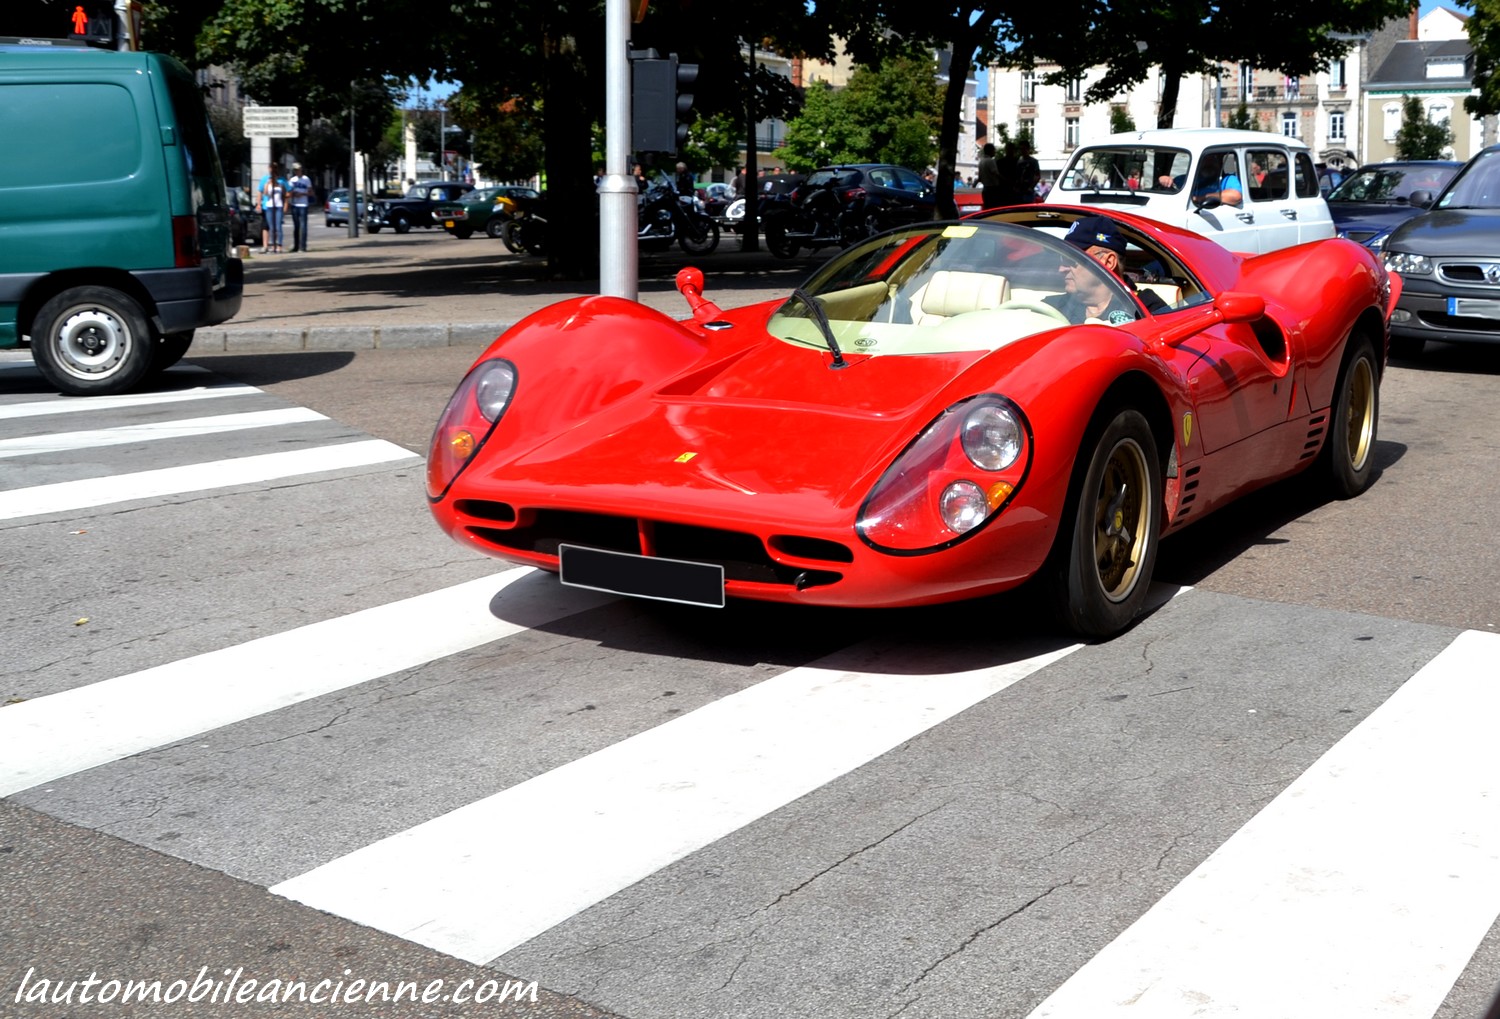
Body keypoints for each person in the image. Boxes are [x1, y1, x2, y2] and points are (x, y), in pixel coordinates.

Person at [1045, 215, 1169, 324]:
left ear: (1108, 262)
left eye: (1071, 260)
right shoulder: (1050, 308)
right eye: (1061, 260)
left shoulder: (1147, 310)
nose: (1061, 269)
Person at [257, 162, 288, 254]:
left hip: (278, 206)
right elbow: (262, 192)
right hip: (268, 206)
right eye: (271, 168)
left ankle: (279, 245)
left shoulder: (281, 181)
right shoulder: (265, 180)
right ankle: (267, 246)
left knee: (278, 226)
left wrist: (286, 205)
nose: (273, 170)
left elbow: (286, 193)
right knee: (267, 227)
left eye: (274, 168)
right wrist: (259, 204)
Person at [287, 162, 313, 252]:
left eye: (298, 170)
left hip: (303, 205)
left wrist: (302, 194)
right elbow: (289, 192)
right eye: (296, 170)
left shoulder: (306, 179)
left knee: (303, 226)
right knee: (296, 226)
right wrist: (294, 194)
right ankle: (296, 246)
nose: (297, 171)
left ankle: (303, 246)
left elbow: (310, 192)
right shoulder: (292, 180)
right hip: (295, 205)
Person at [977, 143, 1004, 210]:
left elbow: (979, 178)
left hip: (985, 189)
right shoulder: (990, 161)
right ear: (990, 150)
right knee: (994, 209)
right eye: (993, 150)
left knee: (987, 209)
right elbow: (995, 173)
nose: (994, 151)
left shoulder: (981, 161)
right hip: (993, 190)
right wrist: (1005, 180)